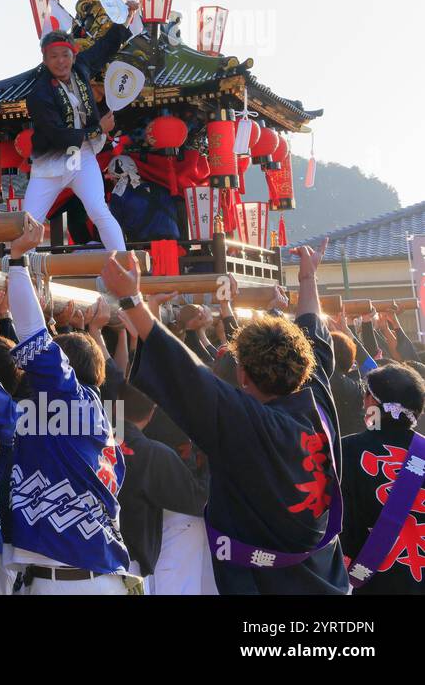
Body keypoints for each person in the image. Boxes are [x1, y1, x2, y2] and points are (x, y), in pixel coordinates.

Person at [103, 239, 349, 594]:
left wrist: (134, 301)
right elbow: (312, 328)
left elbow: (190, 376)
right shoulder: (316, 402)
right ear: (303, 364)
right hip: (325, 578)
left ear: (243, 375)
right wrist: (308, 278)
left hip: (270, 588)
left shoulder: (251, 423)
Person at [1, 215, 134, 594]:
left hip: (73, 583)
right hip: (87, 579)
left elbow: (32, 336)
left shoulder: (70, 400)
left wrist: (17, 261)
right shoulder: (91, 414)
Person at [22, 2, 137, 252]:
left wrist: (125, 20)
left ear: (73, 55)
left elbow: (103, 49)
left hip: (82, 158)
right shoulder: (38, 94)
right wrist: (99, 130)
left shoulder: (81, 69)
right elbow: (56, 135)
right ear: (45, 60)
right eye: (54, 57)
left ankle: (124, 263)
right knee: (29, 221)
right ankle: (19, 270)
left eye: (65, 55)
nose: (61, 62)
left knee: (98, 209)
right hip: (51, 161)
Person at [340, 363, 425, 593]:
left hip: (372, 579)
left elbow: (343, 522)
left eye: (366, 395)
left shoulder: (347, 449)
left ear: (374, 403)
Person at [116, 384, 210, 592]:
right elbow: (197, 500)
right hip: (129, 566)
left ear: (115, 405)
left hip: (84, 559)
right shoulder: (154, 454)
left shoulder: (88, 439)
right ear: (152, 411)